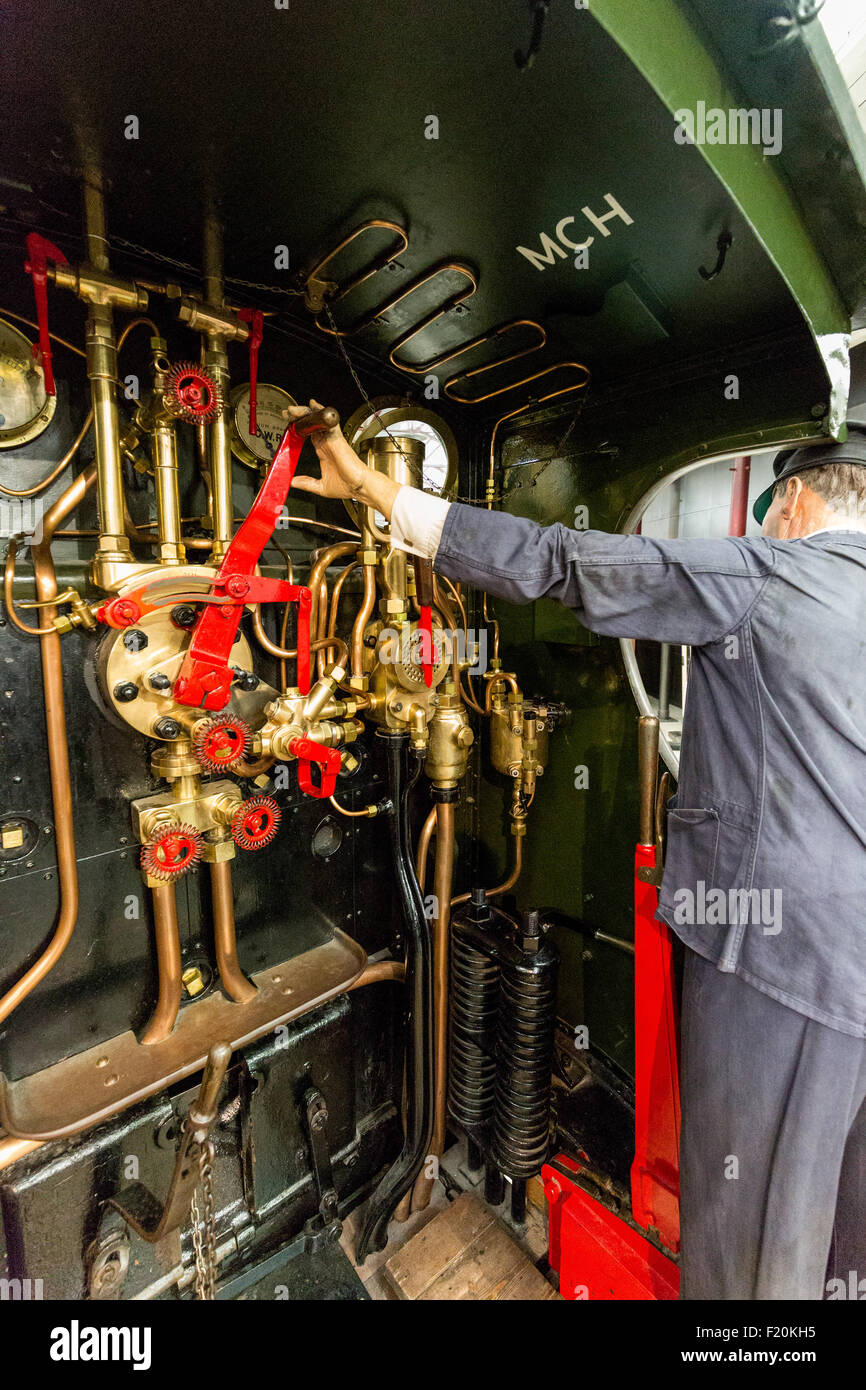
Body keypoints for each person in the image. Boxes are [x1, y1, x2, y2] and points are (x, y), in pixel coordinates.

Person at [291, 402, 866, 1301]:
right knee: (842, 1229)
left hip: (787, 966)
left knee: (756, 1240)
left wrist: (376, 491)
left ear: (791, 505)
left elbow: (564, 564)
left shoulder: (772, 575)